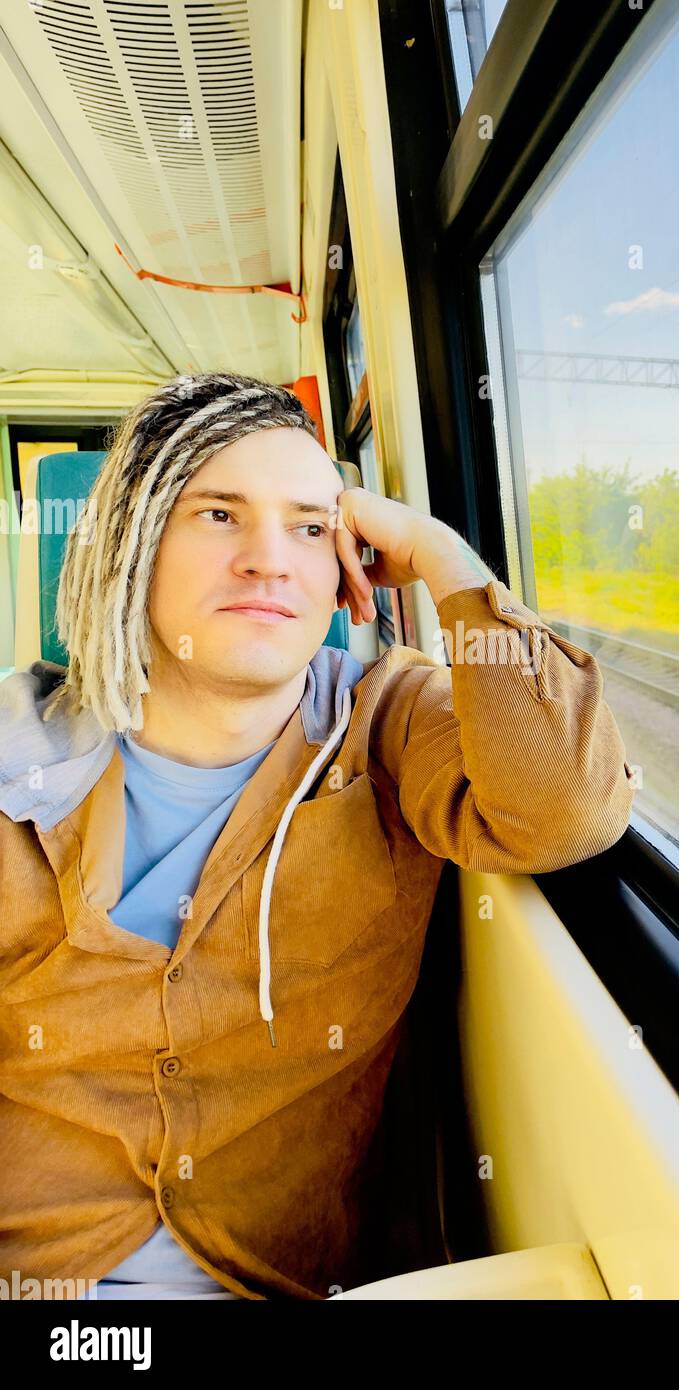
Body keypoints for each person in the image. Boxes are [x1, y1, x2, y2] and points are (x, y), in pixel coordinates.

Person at [0, 372, 635, 1300]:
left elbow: (564, 808)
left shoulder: (390, 721)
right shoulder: (19, 742)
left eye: (308, 526)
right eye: (218, 515)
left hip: (277, 1281)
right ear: (134, 545)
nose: (270, 560)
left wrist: (446, 560)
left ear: (346, 562)